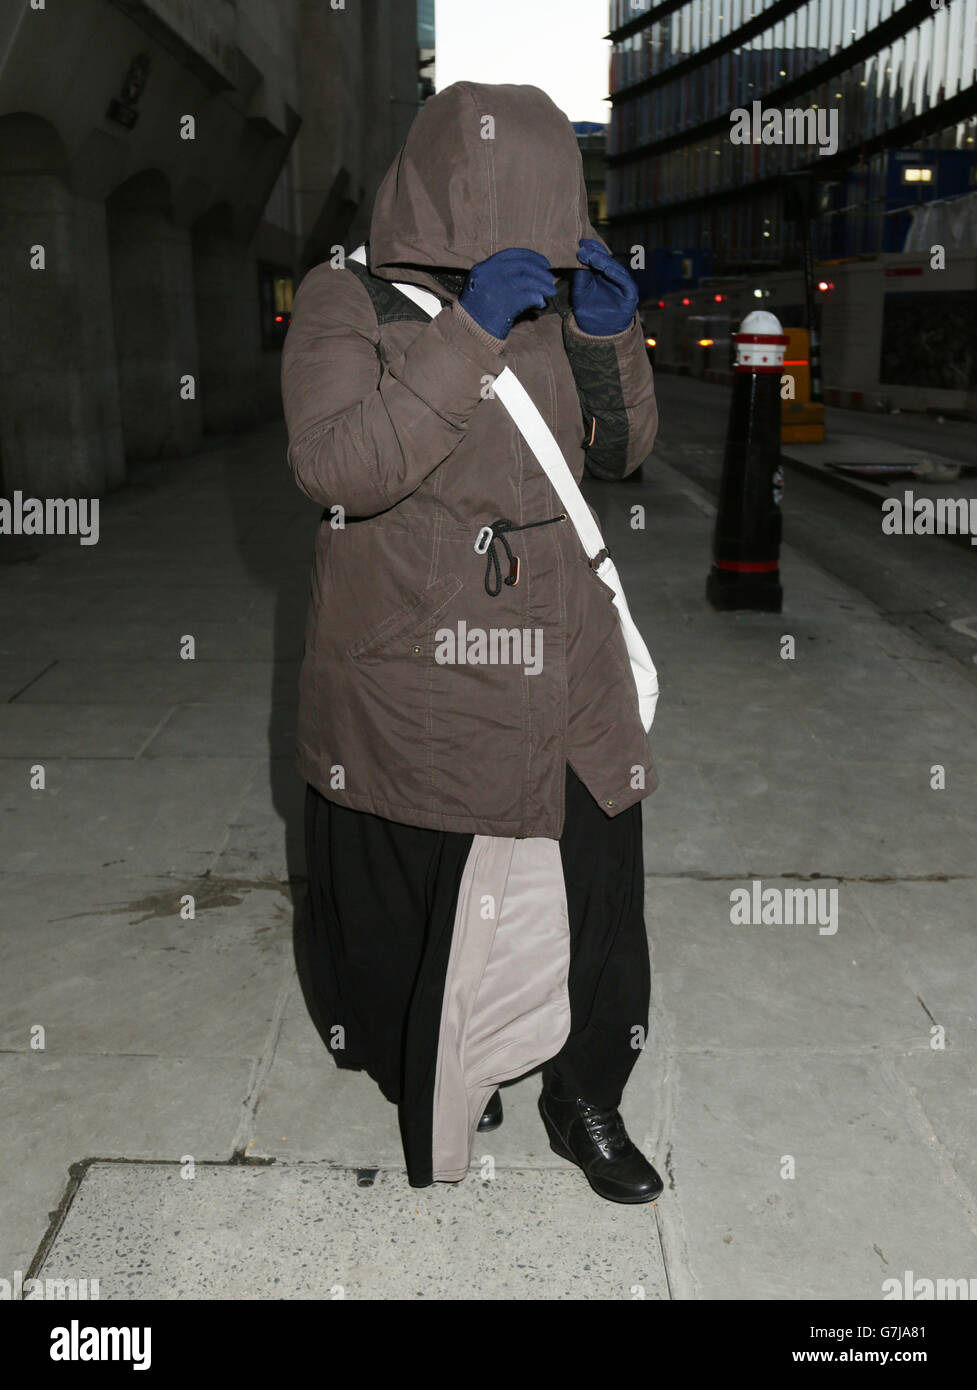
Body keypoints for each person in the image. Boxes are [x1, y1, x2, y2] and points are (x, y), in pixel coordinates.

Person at [281, 82, 662, 1203]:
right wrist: (468, 332)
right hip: (414, 660)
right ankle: (445, 1070)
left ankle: (587, 1092)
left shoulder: (551, 300)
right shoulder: (342, 297)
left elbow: (624, 452)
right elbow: (340, 469)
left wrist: (606, 336)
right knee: (423, 893)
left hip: (563, 650)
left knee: (599, 884)